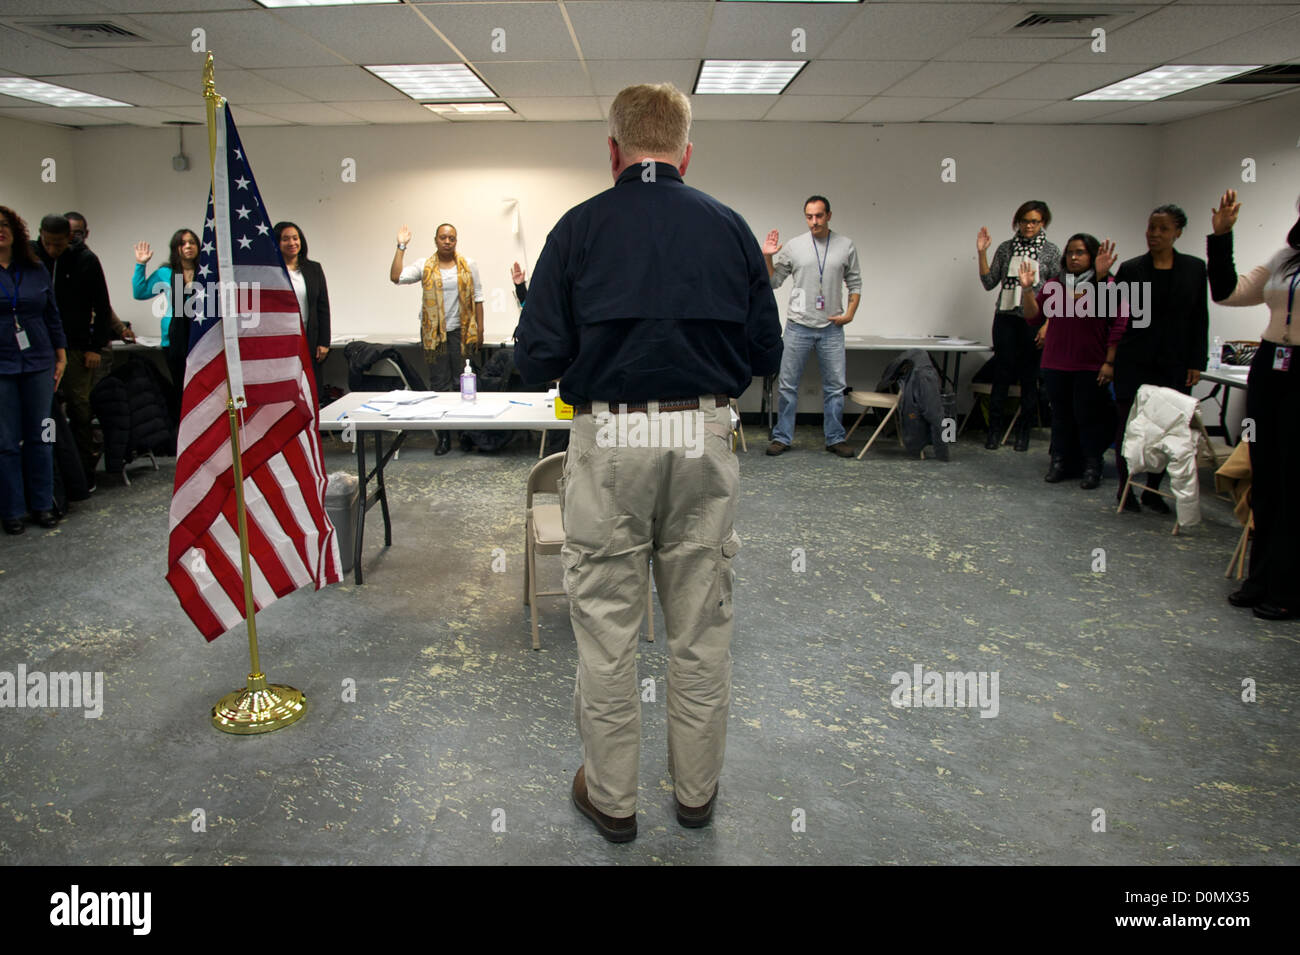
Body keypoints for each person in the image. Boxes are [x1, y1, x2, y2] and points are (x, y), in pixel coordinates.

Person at [515, 82, 782, 842]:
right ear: (686, 152)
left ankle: (614, 799)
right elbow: (769, 352)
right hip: (704, 437)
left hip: (613, 440)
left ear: (613, 151)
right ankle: (696, 796)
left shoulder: (578, 229)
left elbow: (535, 356)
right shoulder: (730, 230)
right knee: (701, 626)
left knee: (608, 630)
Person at [1207, 189, 1300, 620]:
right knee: (1266, 480)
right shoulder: (1285, 258)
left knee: (1292, 483)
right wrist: (1222, 237)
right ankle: (1260, 578)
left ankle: (1289, 588)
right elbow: (1228, 292)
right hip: (1270, 367)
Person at [1113, 204, 1208, 512]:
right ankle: (1125, 488)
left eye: (1163, 229)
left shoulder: (1194, 269)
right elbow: (1109, 310)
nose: (1154, 234)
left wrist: (1197, 361)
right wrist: (1102, 277)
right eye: (1151, 227)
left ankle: (1153, 490)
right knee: (1129, 422)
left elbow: (1199, 317)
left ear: (1177, 232)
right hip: (1135, 357)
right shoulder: (1131, 268)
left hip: (1176, 361)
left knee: (1168, 427)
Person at [1021, 234, 1127, 489]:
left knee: (1088, 416)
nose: (1074, 257)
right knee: (1060, 416)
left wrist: (1110, 363)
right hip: (1056, 362)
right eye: (1070, 253)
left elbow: (1118, 325)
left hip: (1090, 364)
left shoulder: (1110, 284)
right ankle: (1059, 462)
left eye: (1080, 252)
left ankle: (1093, 465)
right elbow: (1033, 317)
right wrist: (1026, 289)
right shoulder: (1055, 284)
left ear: (1092, 256)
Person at [762, 196, 861, 457]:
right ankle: (782, 437)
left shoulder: (845, 246)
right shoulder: (795, 246)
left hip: (831, 328)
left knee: (835, 387)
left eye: (818, 216)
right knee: (787, 385)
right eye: (809, 216)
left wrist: (849, 314)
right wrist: (767, 257)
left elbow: (856, 284)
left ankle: (835, 439)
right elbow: (773, 282)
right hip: (798, 326)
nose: (813, 222)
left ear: (829, 215)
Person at [31, 214, 112, 489]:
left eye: (58, 244)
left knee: (80, 410)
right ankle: (52, 475)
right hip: (40, 347)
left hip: (77, 348)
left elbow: (102, 306)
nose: (52, 249)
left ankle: (83, 474)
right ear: (40, 235)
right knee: (45, 411)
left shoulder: (85, 260)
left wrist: (95, 346)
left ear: (70, 238)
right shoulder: (31, 256)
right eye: (48, 243)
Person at [389, 222, 484, 455]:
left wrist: (480, 329)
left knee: (462, 384)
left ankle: (465, 436)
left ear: (456, 240)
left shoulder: (468, 265)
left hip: (462, 333)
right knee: (439, 386)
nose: (447, 241)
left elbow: (479, 297)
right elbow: (396, 277)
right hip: (434, 335)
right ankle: (443, 437)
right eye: (443, 237)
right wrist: (401, 246)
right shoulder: (425, 266)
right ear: (435, 240)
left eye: (451, 238)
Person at [0, 206, 67, 533]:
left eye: (5, 225)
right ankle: (12, 510)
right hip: (2, 366)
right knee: (6, 441)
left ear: (16, 231)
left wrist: (61, 354)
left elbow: (52, 314)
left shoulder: (35, 269)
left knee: (43, 434)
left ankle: (42, 504)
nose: (1, 230)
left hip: (39, 360)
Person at [977, 201, 1061, 451]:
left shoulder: (1051, 251)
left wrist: (1048, 325)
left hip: (1035, 320)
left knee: (1029, 376)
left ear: (1043, 223)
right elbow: (989, 282)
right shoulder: (1006, 248)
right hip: (1006, 318)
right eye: (1024, 221)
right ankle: (994, 431)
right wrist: (982, 252)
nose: (1028, 226)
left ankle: (1024, 432)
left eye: (1034, 221)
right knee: (1002, 374)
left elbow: (1059, 291)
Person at [133, 228, 199, 428]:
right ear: (176, 249)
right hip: (175, 339)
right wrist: (140, 264)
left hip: (201, 337)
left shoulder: (207, 271)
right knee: (181, 388)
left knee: (201, 388)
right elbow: (140, 292)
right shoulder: (165, 273)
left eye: (192, 242)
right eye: (182, 243)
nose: (188, 246)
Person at [274, 221, 331, 404]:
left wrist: (324, 342)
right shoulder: (272, 271)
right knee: (286, 387)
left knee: (311, 386)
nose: (292, 243)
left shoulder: (314, 268)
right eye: (285, 239)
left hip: (310, 338)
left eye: (295, 238)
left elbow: (323, 307)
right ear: (277, 243)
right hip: (283, 338)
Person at [62, 214, 134, 345]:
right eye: (68, 232)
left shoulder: (89, 260)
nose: (72, 237)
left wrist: (121, 329)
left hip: (91, 337)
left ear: (86, 233)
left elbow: (101, 304)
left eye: (78, 232)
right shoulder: (53, 261)